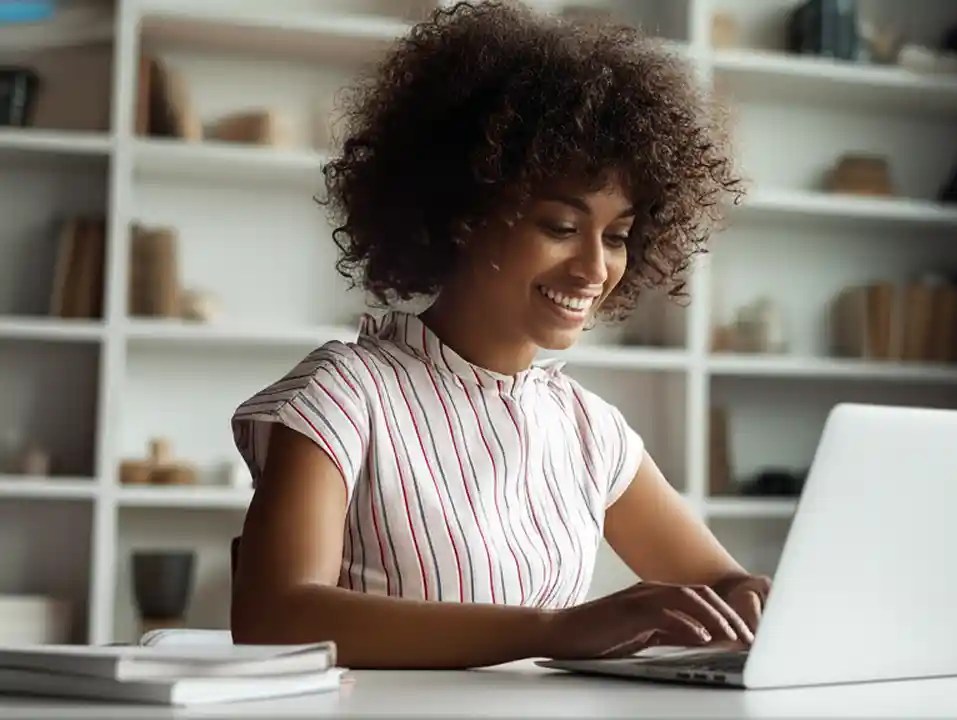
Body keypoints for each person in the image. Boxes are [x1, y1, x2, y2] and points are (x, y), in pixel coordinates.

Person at [227, 0, 766, 670]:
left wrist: (761, 600)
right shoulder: (344, 395)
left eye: (618, 237)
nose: (596, 267)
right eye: (561, 228)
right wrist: (555, 630)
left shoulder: (586, 429)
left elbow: (723, 585)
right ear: (463, 215)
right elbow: (273, 615)